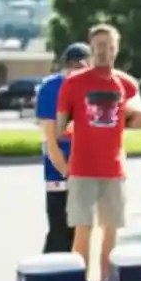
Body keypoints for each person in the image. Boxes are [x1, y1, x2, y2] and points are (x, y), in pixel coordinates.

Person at [55, 24, 141, 281]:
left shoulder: (125, 83)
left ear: (116, 49)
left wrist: (136, 116)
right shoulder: (74, 83)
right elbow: (61, 126)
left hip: (114, 168)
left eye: (109, 46)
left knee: (111, 228)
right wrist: (79, 128)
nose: (103, 51)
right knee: (83, 228)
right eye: (98, 46)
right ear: (91, 47)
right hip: (83, 167)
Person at [35, 44, 90, 254]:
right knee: (60, 230)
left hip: (89, 170)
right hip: (60, 171)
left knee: (84, 231)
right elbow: (50, 139)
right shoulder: (51, 88)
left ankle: (81, 277)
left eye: (81, 65)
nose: (75, 69)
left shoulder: (94, 86)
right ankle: (50, 279)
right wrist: (67, 172)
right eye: (71, 64)